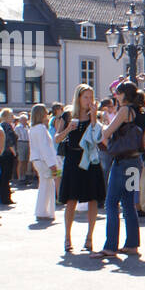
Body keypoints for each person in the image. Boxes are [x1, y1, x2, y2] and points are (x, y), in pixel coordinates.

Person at [95, 81, 145, 259]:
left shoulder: (125, 111)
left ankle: (110, 246)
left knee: (111, 203)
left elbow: (106, 133)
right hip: (135, 162)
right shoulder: (142, 114)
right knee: (129, 203)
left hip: (121, 162)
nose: (115, 96)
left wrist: (107, 141)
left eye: (117, 93)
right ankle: (132, 244)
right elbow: (144, 143)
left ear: (124, 95)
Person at [56, 84, 104, 253]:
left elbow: (98, 138)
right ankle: (67, 237)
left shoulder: (94, 115)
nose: (89, 101)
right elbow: (56, 139)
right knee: (71, 199)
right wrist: (69, 128)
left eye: (91, 97)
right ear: (78, 98)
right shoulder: (68, 115)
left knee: (93, 199)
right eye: (86, 97)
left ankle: (89, 238)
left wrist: (93, 120)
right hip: (73, 159)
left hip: (90, 158)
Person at [28, 104, 60, 221]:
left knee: (44, 185)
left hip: (37, 159)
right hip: (43, 160)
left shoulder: (33, 129)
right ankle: (44, 212)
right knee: (47, 185)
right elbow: (44, 147)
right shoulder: (41, 128)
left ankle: (43, 211)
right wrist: (52, 164)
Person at [15, 113, 31, 185]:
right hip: (20, 142)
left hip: (27, 143)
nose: (25, 121)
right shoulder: (18, 127)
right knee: (21, 161)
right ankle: (19, 177)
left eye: (26, 120)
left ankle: (24, 176)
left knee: (26, 161)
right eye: (23, 120)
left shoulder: (28, 127)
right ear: (20, 120)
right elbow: (16, 137)